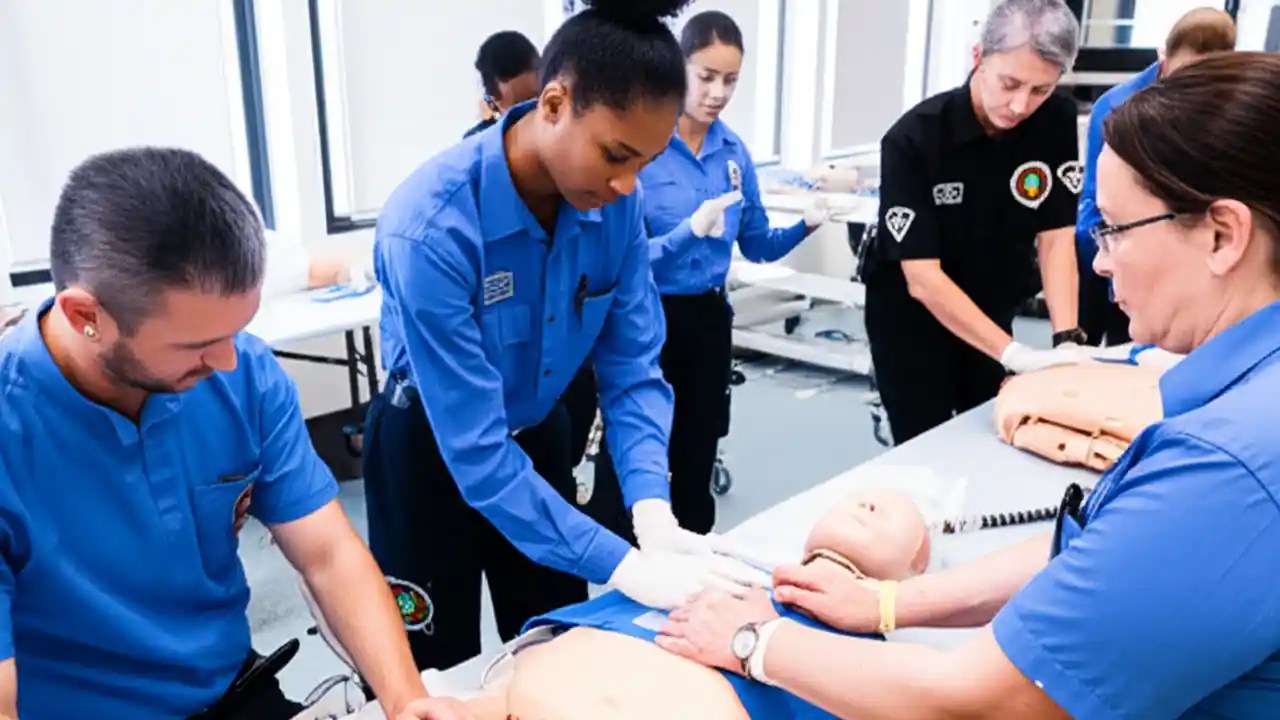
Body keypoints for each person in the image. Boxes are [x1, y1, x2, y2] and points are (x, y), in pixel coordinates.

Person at [660, 52, 1280, 719]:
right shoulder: (1235, 404)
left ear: (1222, 234)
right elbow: (1101, 557)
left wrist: (754, 640)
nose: (1097, 261)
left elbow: (983, 703)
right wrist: (888, 603)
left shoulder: (1229, 465)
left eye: (1114, 230)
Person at [363, 0, 765, 675]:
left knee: (559, 644)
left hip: (538, 432)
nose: (626, 184)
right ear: (553, 103)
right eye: (614, 155)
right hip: (432, 452)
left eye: (645, 161)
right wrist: (626, 564)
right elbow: (478, 455)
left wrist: (651, 508)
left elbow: (635, 368)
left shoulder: (614, 204)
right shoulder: (432, 228)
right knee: (437, 667)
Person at [0, 148, 469, 720]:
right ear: (85, 316)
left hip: (230, 692)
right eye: (195, 345)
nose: (225, 362)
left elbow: (327, 554)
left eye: (237, 331)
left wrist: (406, 700)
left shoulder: (244, 373)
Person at [592, 10, 830, 534]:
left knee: (699, 445)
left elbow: (759, 246)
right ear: (679, 67)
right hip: (646, 316)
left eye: (731, 80)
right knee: (636, 444)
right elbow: (620, 262)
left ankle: (693, 558)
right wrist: (687, 234)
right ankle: (622, 563)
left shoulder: (733, 152)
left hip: (708, 319)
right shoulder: (645, 147)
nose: (718, 92)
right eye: (706, 76)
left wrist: (805, 228)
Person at [448, 488, 929, 720]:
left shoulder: (869, 658)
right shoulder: (707, 571)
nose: (867, 504)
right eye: (859, 499)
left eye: (891, 510)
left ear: (918, 561)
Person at [862, 0, 1089, 446]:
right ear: (978, 58)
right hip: (912, 316)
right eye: (1009, 83)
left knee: (992, 430)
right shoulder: (914, 138)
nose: (1021, 105)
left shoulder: (1055, 121)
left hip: (992, 301)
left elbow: (1057, 238)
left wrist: (1067, 340)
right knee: (924, 441)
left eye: (1040, 90)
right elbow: (922, 278)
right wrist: (1014, 352)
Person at [1076, 7, 1236, 347]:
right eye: (1182, 77)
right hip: (1109, 241)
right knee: (1084, 349)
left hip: (1168, 257)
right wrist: (1113, 256)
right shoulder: (1117, 106)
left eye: (1203, 80)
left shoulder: (1222, 109)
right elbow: (1092, 200)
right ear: (1163, 59)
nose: (1189, 90)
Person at [464, 31, 540, 139]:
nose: (529, 117)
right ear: (494, 99)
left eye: (535, 103)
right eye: (518, 112)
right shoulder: (478, 144)